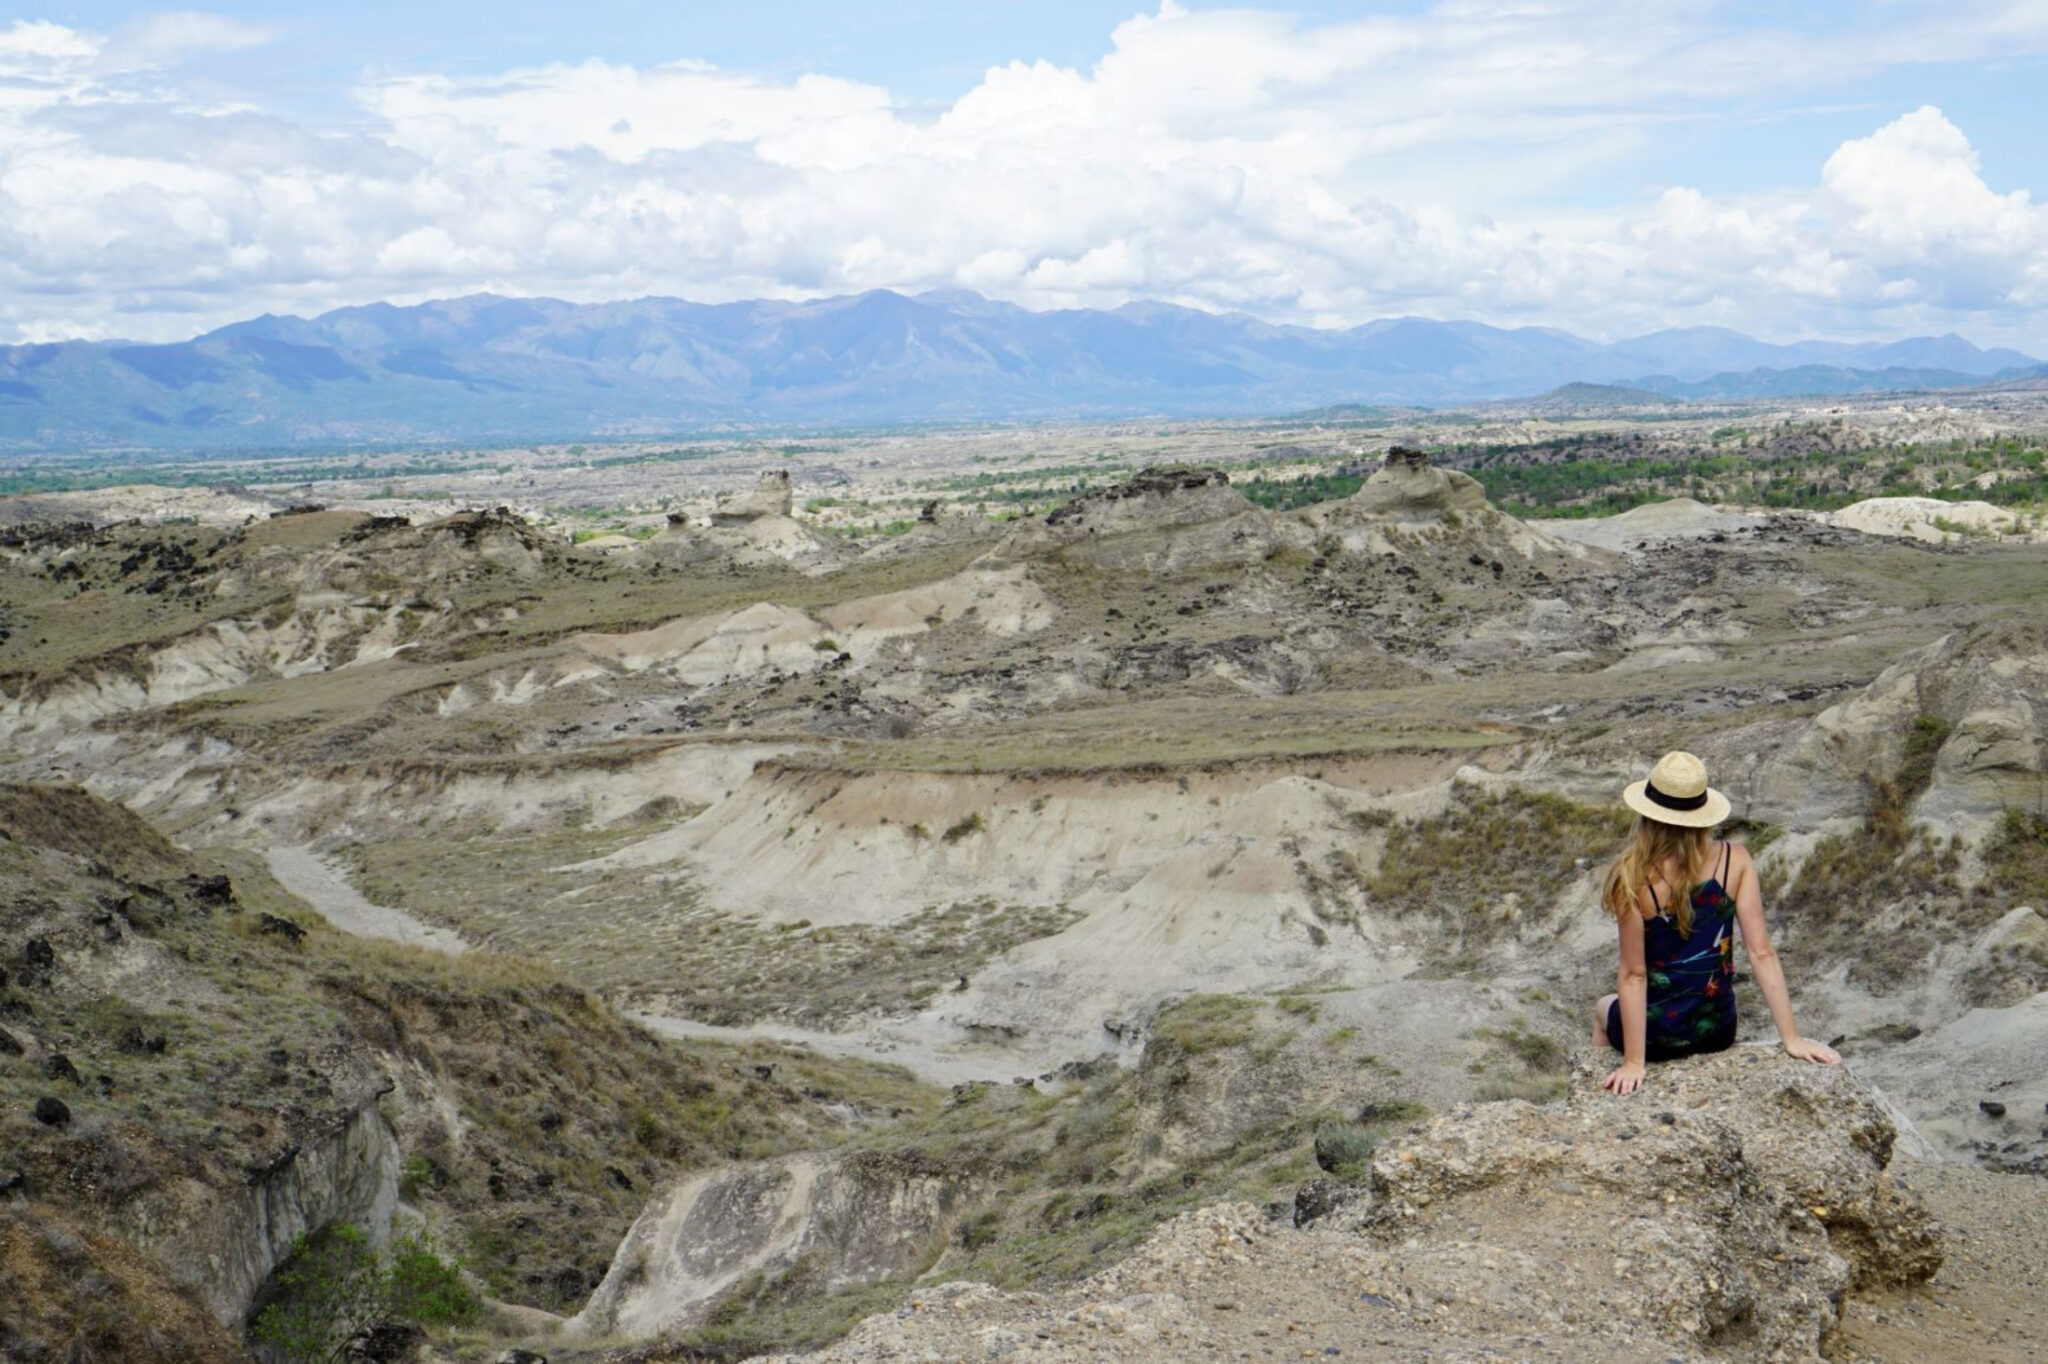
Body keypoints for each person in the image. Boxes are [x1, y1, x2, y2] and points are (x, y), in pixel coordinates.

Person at [1595, 750, 1839, 1095]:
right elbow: (1762, 952)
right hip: (1717, 1030)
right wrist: (1792, 1039)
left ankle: (1598, 1088)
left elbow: (1634, 975)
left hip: (1655, 1039)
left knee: (1603, 1008)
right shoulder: (1735, 860)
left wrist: (1635, 1062)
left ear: (1648, 816)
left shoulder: (1633, 877)